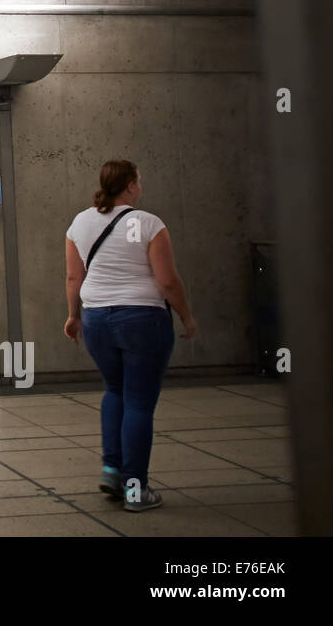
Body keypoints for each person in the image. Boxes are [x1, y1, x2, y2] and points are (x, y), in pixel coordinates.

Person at [63, 160, 197, 512]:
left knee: (115, 390)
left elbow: (74, 278)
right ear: (131, 186)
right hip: (142, 319)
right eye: (139, 180)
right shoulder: (149, 223)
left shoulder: (80, 222)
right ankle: (136, 491)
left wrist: (73, 316)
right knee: (139, 403)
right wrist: (187, 317)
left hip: (95, 319)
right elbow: (167, 281)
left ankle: (112, 470)